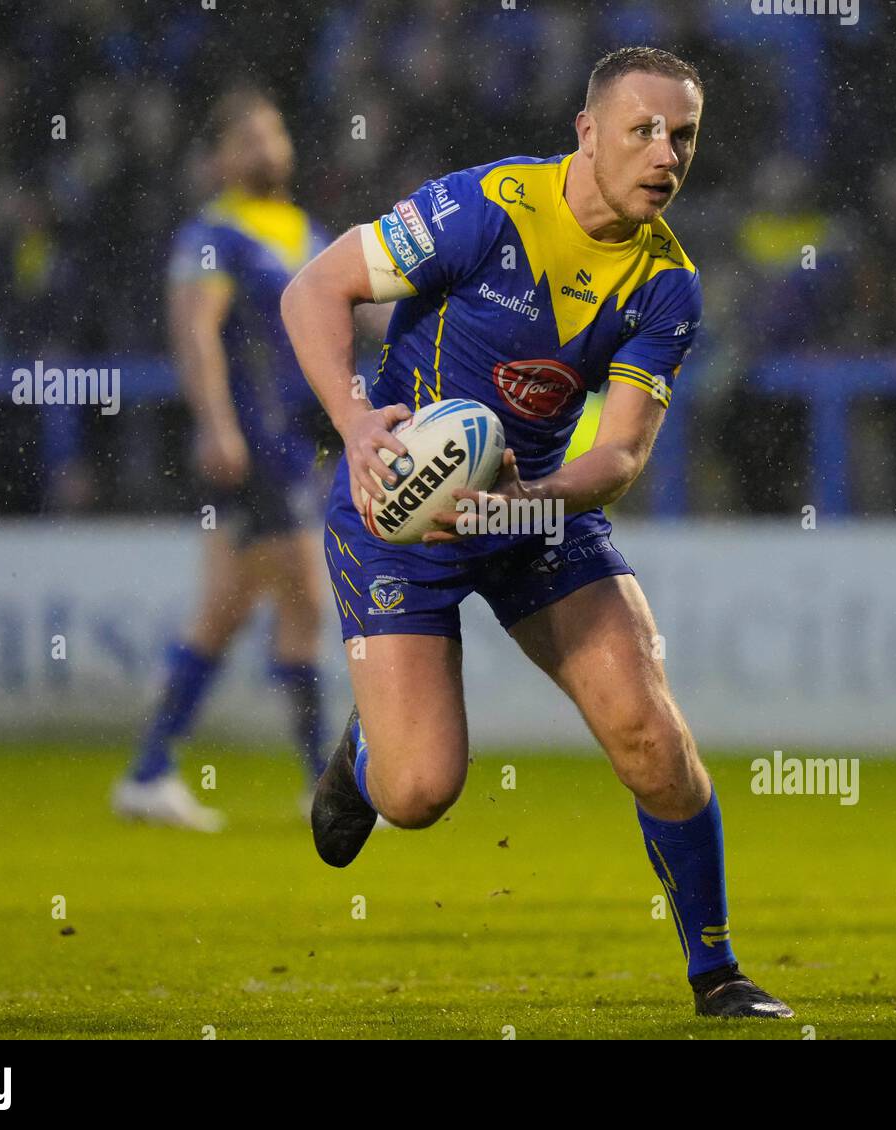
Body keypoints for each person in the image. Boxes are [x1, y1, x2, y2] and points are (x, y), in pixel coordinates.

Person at [282, 47, 793, 1019]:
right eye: (643, 130)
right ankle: (364, 762)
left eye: (682, 136)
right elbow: (314, 288)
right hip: (402, 513)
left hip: (530, 510)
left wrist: (531, 496)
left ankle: (716, 970)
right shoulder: (485, 209)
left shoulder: (665, 286)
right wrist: (353, 424)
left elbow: (622, 457)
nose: (665, 155)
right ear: (586, 132)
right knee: (421, 790)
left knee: (649, 731)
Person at [113, 89, 335, 830]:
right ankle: (322, 786)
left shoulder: (307, 231)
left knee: (229, 609)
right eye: (246, 138)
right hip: (252, 439)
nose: (266, 147)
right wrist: (215, 425)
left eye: (273, 131)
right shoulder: (213, 234)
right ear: (216, 161)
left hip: (299, 443)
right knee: (304, 591)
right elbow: (196, 331)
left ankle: (150, 770)